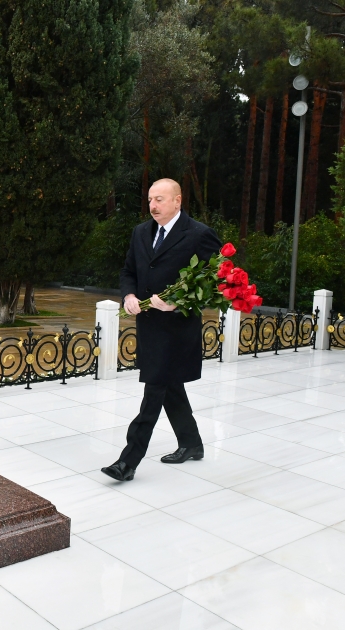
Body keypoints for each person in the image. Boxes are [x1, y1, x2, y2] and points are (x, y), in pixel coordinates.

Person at [101, 178, 222, 481]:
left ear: (178, 201)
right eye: (151, 199)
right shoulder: (141, 232)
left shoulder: (198, 234)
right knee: (169, 388)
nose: (153, 205)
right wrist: (129, 295)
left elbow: (219, 280)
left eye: (160, 199)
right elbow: (129, 270)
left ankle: (127, 462)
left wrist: (177, 304)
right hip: (149, 326)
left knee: (154, 390)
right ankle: (192, 444)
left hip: (178, 331)